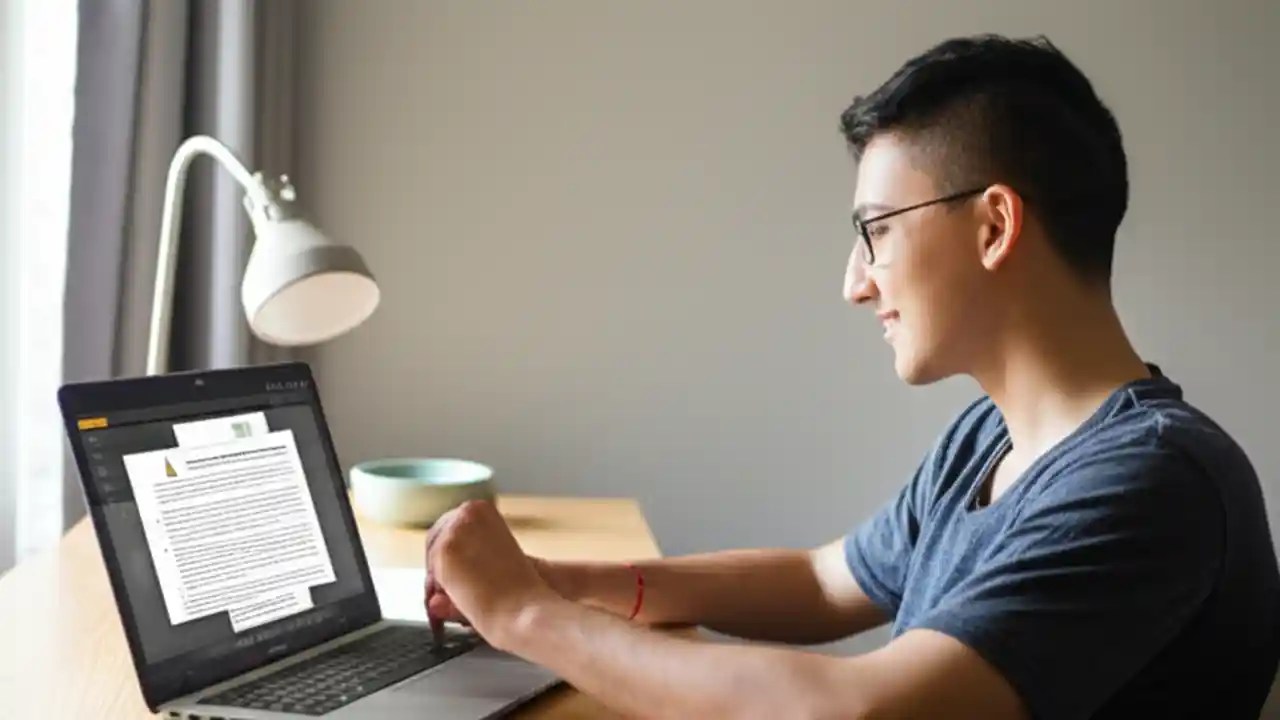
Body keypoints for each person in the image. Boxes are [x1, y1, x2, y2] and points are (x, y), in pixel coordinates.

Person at [423, 34, 1280, 719]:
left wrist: (525, 618)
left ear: (993, 227)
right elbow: (824, 581)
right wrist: (562, 583)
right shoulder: (991, 437)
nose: (855, 281)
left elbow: (859, 710)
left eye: (877, 231)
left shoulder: (1155, 482)